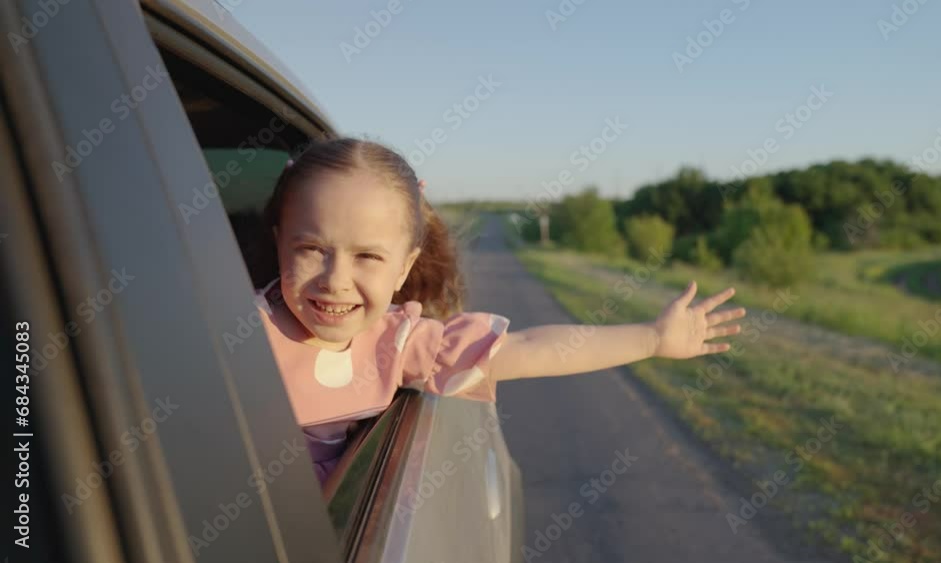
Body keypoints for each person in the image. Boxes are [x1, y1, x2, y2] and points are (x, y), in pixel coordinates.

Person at [252, 137, 746, 484]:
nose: (336, 279)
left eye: (367, 257)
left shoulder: (397, 344)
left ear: (403, 270)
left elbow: (532, 349)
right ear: (279, 244)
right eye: (312, 248)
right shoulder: (233, 334)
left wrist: (652, 339)